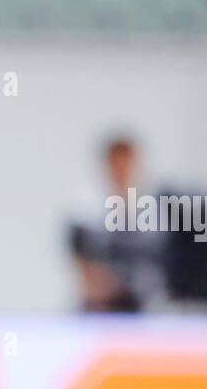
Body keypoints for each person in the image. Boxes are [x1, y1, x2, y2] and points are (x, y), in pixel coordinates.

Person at [66, 134, 168, 313]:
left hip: (141, 306)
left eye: (127, 164)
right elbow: (81, 261)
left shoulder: (151, 207)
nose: (122, 170)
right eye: (117, 163)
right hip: (96, 306)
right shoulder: (85, 207)